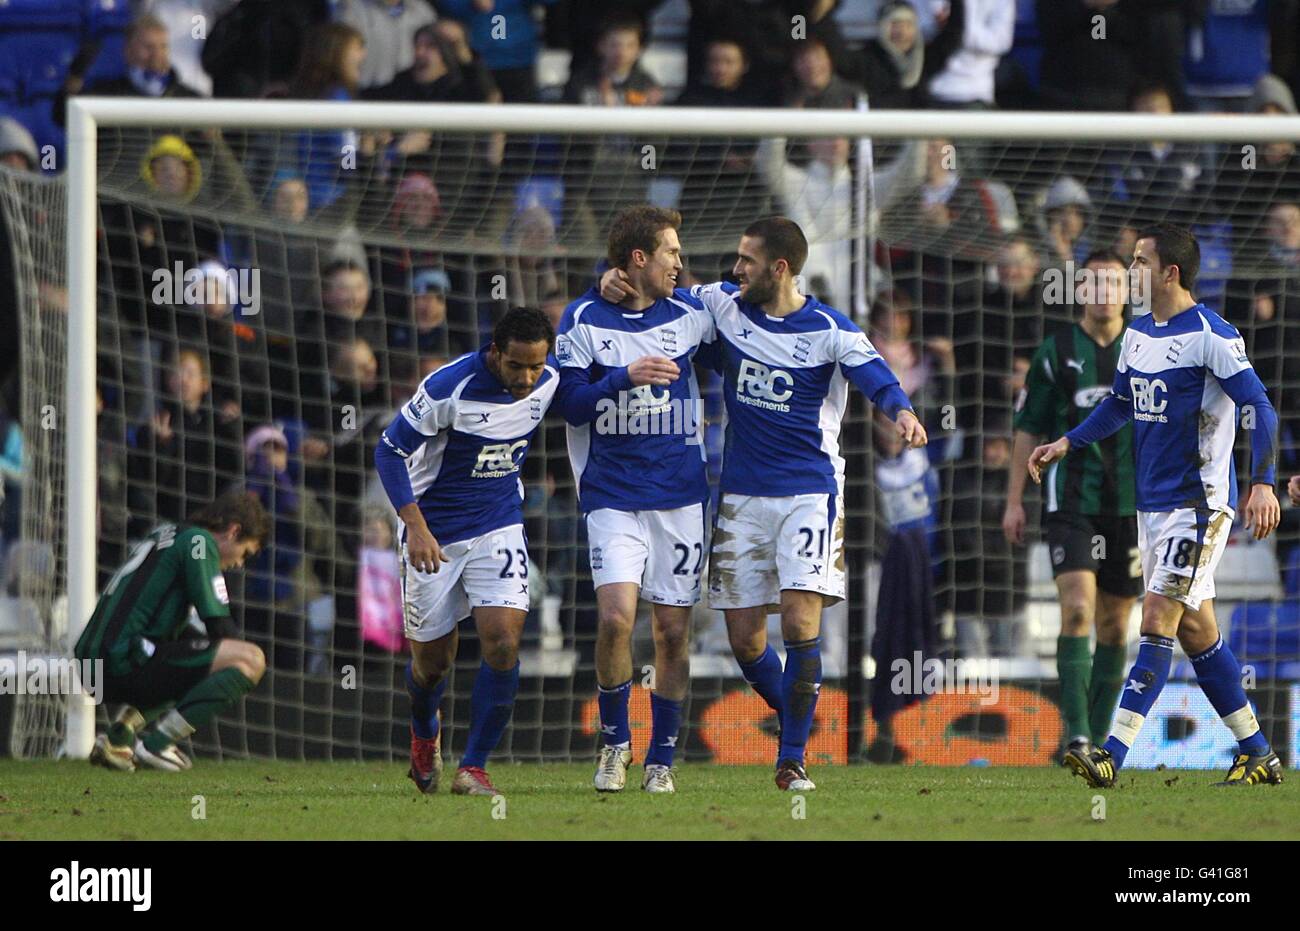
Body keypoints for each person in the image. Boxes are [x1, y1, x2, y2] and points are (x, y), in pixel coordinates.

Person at [601, 216, 927, 790]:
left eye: (746, 260)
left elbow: (877, 376)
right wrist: (608, 282)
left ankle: (792, 758)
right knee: (745, 638)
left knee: (801, 623)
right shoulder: (723, 305)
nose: (735, 268)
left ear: (779, 268)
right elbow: (657, 286)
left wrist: (901, 411)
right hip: (741, 498)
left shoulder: (831, 329)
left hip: (808, 494)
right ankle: (799, 714)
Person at [1030, 224, 1284, 787]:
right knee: (1196, 631)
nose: (1130, 271)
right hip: (1152, 508)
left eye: (1139, 262)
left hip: (1198, 505)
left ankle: (1109, 755)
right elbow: (1121, 404)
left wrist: (1263, 483)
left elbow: (1260, 409)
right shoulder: (1139, 334)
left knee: (1155, 620)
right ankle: (1259, 751)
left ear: (1169, 272)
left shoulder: (1211, 335)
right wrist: (1068, 441)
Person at [555, 206, 714, 794]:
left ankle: (662, 758)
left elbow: (750, 302)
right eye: (671, 251)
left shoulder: (693, 313)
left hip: (679, 495)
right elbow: (567, 405)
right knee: (617, 619)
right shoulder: (583, 318)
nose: (681, 261)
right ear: (639, 259)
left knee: (672, 632)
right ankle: (615, 744)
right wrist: (624, 376)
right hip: (612, 493)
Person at [375, 306, 558, 796]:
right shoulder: (447, 387)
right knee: (433, 663)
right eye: (516, 365)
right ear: (495, 352)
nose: (526, 378)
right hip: (433, 534)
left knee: (502, 642)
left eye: (535, 366)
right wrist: (414, 527)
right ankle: (424, 731)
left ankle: (472, 767)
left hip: (499, 524)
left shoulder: (551, 377)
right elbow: (388, 451)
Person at [1005, 251, 1139, 760]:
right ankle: (1077, 733)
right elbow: (1028, 430)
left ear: (1128, 291)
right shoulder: (1055, 351)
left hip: (1131, 505)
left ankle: (1099, 741)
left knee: (1114, 623)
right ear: (1079, 291)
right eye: (1094, 282)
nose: (1104, 291)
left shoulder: (1145, 348)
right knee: (1078, 609)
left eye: (1114, 282)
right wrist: (1014, 500)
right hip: (1070, 501)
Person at [75, 488, 270, 772]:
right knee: (249, 659)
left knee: (192, 651)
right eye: (245, 553)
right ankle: (157, 745)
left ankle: (118, 739)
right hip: (121, 659)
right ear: (233, 531)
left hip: (92, 662)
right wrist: (242, 674)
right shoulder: (200, 543)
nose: (240, 563)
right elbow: (219, 626)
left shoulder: (168, 533)